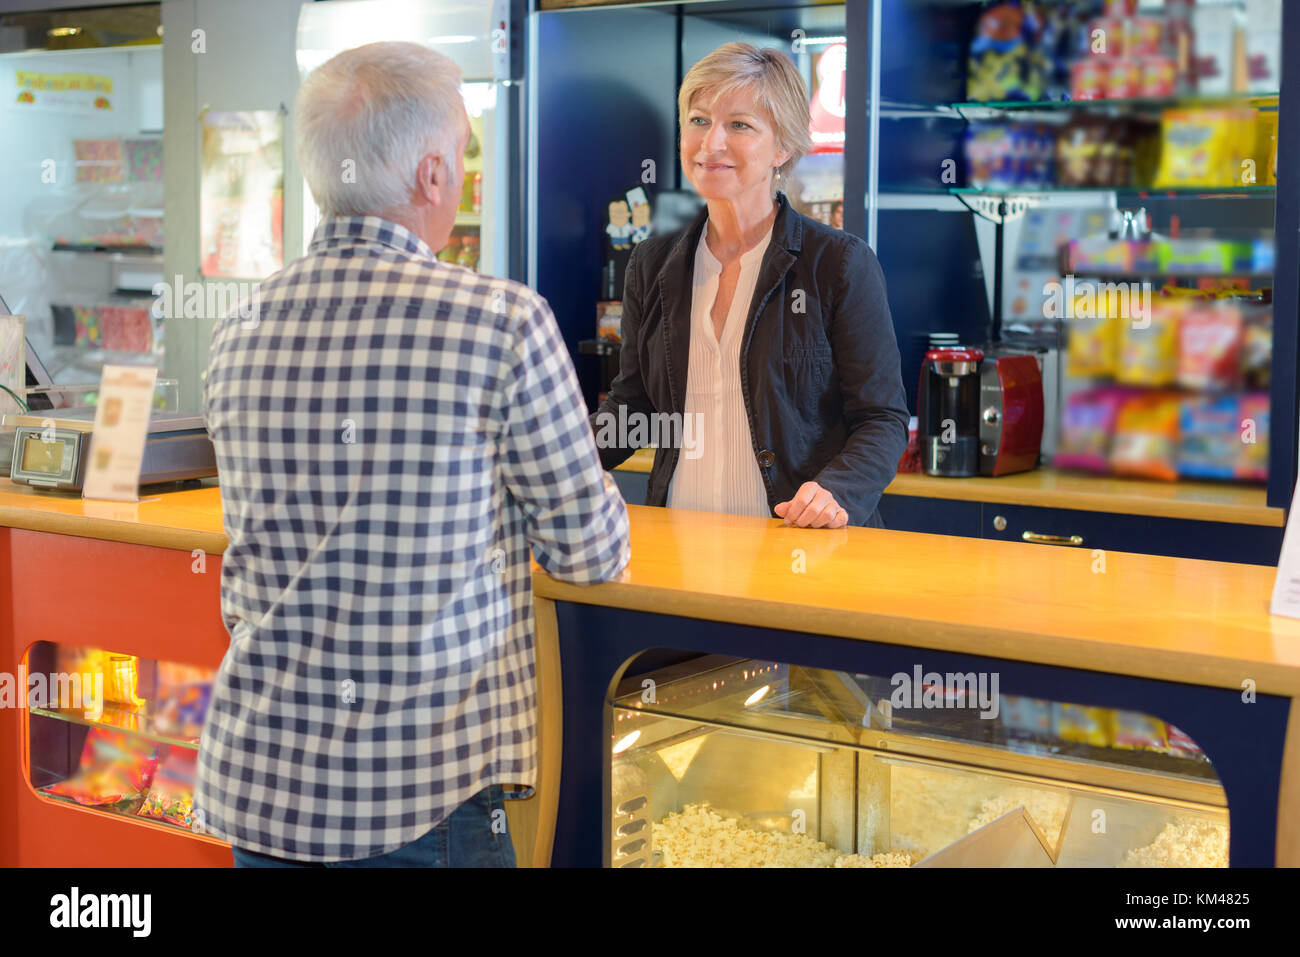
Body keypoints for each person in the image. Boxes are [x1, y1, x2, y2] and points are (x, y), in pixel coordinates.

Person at [198, 41, 630, 867]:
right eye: (464, 152)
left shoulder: (237, 331)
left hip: (259, 784)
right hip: (421, 794)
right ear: (433, 176)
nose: (464, 173)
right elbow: (592, 551)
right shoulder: (501, 321)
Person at [592, 42, 909, 528]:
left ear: (782, 146)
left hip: (799, 547)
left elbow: (882, 419)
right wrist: (547, 458)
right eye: (698, 120)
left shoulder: (839, 263)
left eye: (739, 125)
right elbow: (634, 406)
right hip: (680, 545)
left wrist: (835, 490)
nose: (711, 142)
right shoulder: (652, 264)